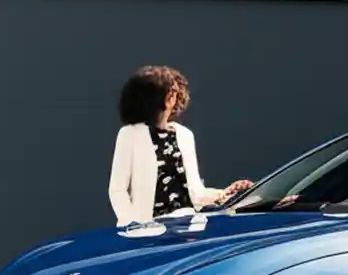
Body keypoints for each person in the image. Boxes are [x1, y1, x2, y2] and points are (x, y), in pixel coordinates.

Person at [108, 65, 252, 227]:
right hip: (149, 229)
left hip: (188, 226)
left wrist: (224, 193)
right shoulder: (130, 135)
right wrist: (131, 223)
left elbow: (195, 192)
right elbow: (117, 190)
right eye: (169, 91)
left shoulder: (184, 135)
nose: (174, 95)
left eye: (175, 91)